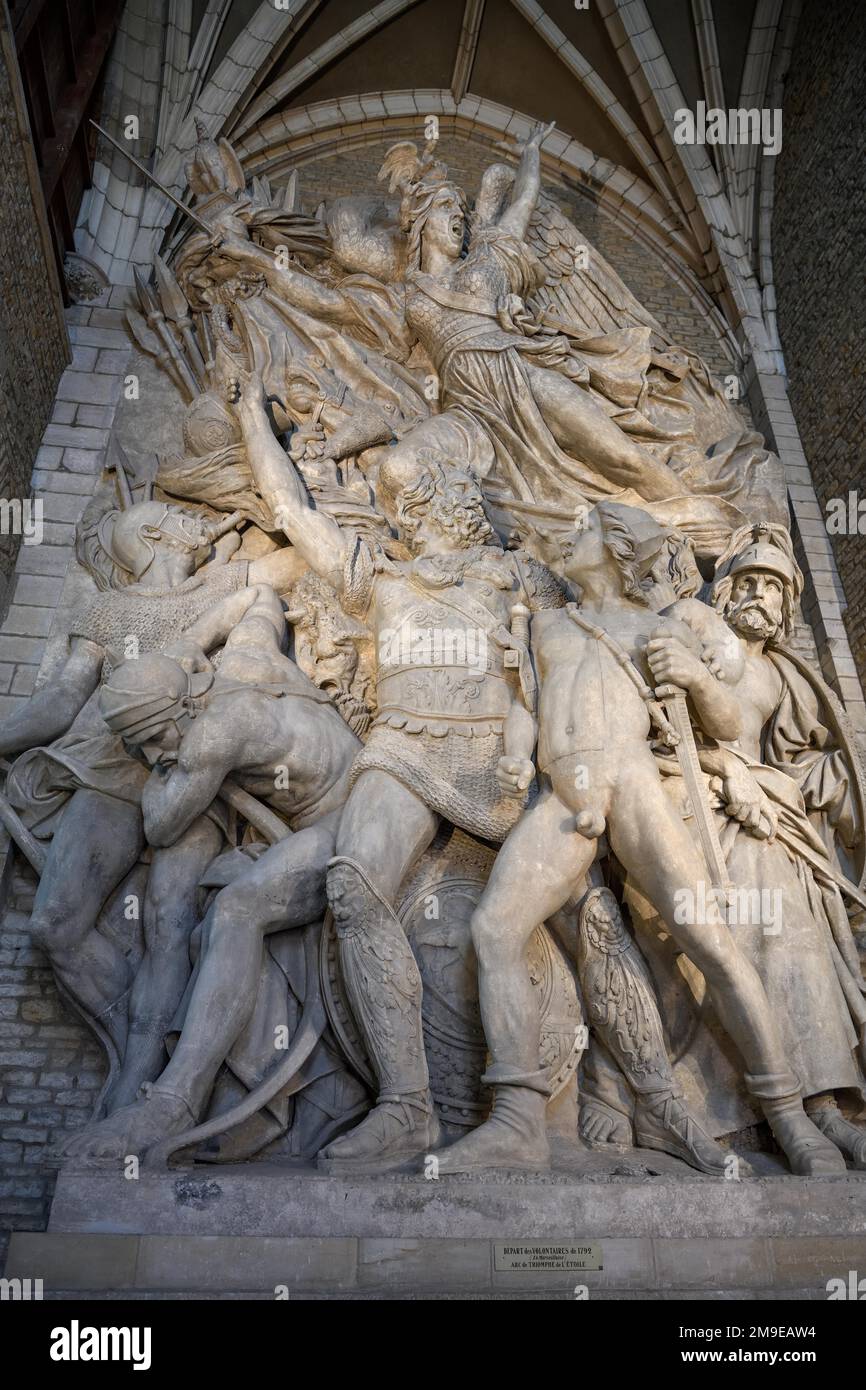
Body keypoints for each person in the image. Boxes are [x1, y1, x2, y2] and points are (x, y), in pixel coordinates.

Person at [431, 502, 845, 1176]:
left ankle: (789, 1116)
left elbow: (728, 718)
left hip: (631, 786)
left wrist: (695, 673)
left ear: (621, 552)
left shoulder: (655, 626)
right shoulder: (545, 625)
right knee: (493, 928)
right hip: (566, 798)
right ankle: (516, 1119)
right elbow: (528, 711)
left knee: (711, 942)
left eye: (586, 528)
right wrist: (515, 753)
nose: (573, 535)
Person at [63, 585, 366, 1163]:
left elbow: (160, 826)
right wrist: (192, 649)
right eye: (141, 747)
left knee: (235, 909)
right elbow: (260, 600)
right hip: (330, 814)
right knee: (215, 916)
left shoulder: (214, 733)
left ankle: (175, 1102)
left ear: (181, 708)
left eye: (152, 740)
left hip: (348, 827)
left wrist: (166, 771)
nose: (152, 755)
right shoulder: (247, 658)